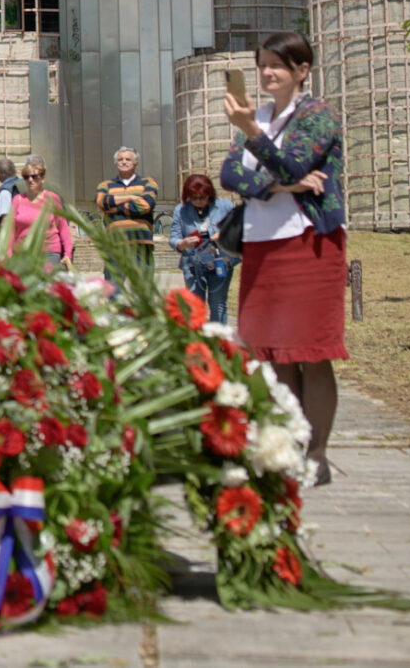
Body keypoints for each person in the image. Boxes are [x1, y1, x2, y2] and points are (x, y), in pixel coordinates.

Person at [220, 29, 347, 485]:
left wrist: (255, 136)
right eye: (262, 65)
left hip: (309, 243)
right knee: (271, 353)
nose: (267, 73)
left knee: (309, 352)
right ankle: (286, 448)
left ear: (301, 71)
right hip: (262, 243)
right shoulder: (264, 116)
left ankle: (317, 455)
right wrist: (281, 185)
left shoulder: (316, 116)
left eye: (276, 65)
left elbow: (294, 162)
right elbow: (230, 174)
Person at [168, 171, 237, 326]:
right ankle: (197, 345)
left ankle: (218, 344)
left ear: (210, 194)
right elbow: (173, 237)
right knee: (194, 305)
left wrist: (223, 235)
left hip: (220, 261)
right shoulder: (181, 210)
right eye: (194, 198)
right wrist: (182, 243)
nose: (198, 201)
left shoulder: (224, 206)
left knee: (218, 304)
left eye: (203, 197)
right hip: (193, 264)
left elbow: (239, 230)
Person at [96, 145, 162, 269]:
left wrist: (117, 208)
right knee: (114, 287)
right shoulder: (106, 185)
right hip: (114, 244)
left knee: (143, 286)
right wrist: (132, 197)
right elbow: (102, 202)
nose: (124, 162)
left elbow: (146, 205)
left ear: (136, 163)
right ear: (115, 163)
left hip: (141, 244)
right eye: (120, 160)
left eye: (128, 159)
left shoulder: (148, 182)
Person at [6, 156, 73, 268]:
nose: (30, 180)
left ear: (43, 179)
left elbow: (63, 227)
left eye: (34, 176)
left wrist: (67, 254)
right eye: (26, 177)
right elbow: (10, 231)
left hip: (49, 253)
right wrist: (8, 254)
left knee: (45, 284)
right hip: (23, 253)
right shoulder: (17, 200)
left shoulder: (53, 199)